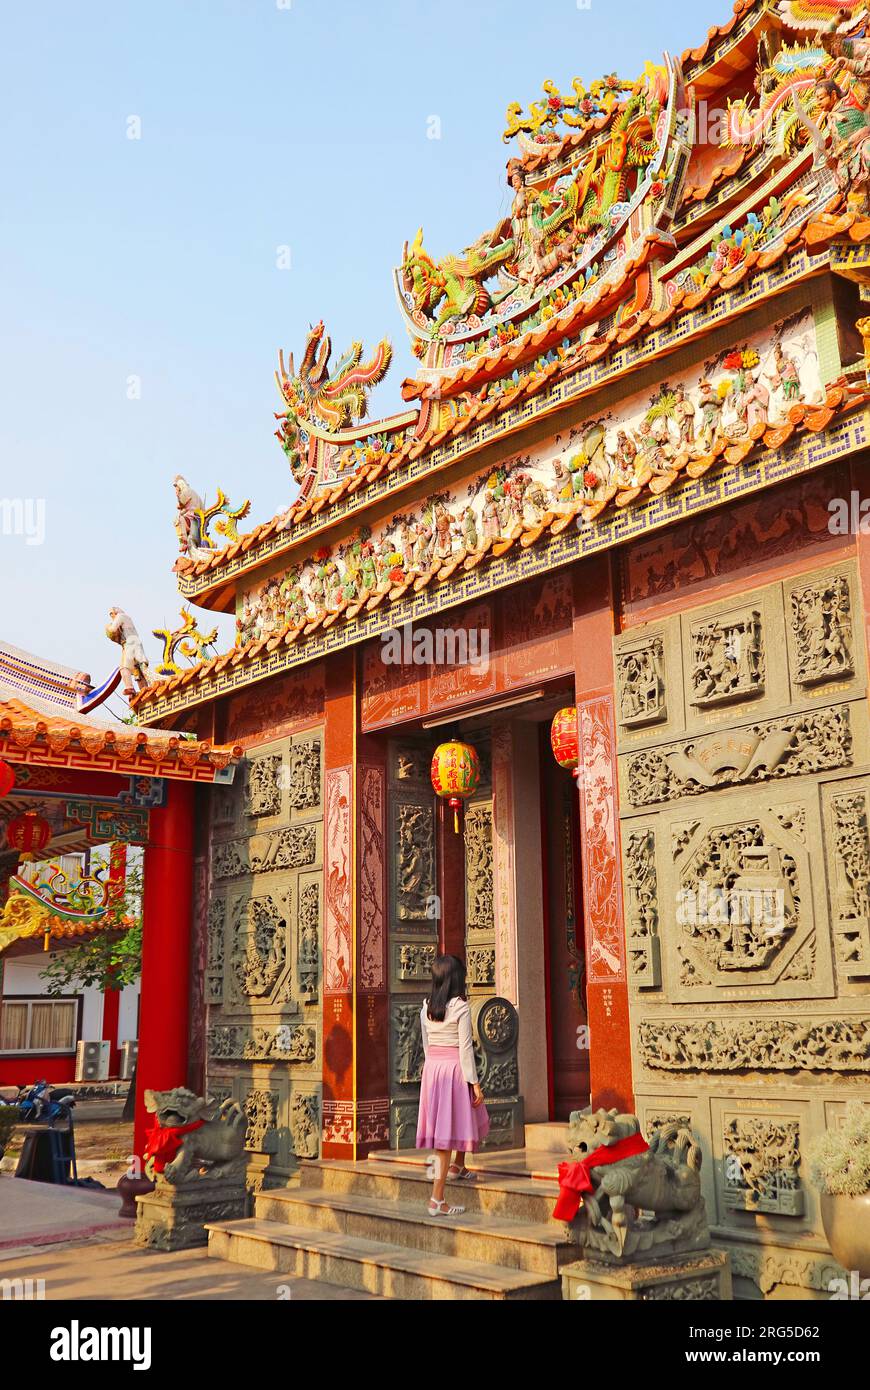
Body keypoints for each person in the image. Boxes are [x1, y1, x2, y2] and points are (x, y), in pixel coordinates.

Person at [416, 954, 489, 1216]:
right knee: (447, 1134)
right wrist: (475, 1082)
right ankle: (437, 1199)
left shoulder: (426, 1007)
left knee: (458, 1118)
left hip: (434, 1069)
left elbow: (426, 1044)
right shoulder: (460, 1006)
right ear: (457, 978)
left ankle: (459, 1164)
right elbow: (466, 1049)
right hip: (453, 1068)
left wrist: (432, 1065)